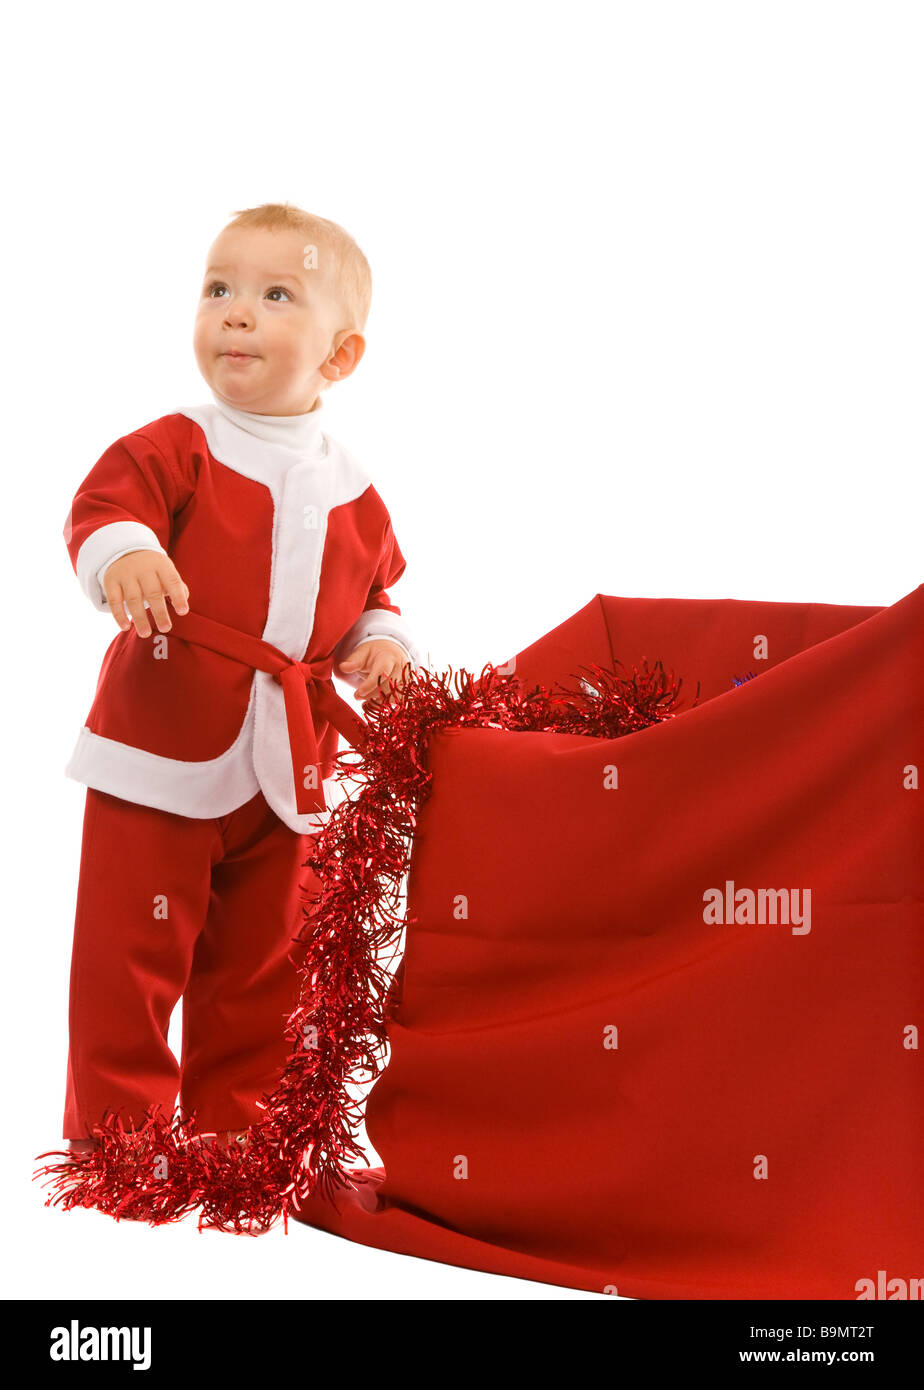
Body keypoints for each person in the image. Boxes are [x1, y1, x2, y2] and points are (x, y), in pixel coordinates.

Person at [60, 202, 423, 1157]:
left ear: (338, 359)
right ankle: (118, 1150)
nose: (233, 313)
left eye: (274, 295)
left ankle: (237, 1142)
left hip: (287, 768)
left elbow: (374, 590)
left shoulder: (353, 486)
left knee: (264, 965)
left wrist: (380, 645)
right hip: (158, 752)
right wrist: (124, 556)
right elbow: (106, 511)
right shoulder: (175, 443)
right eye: (217, 289)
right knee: (128, 959)